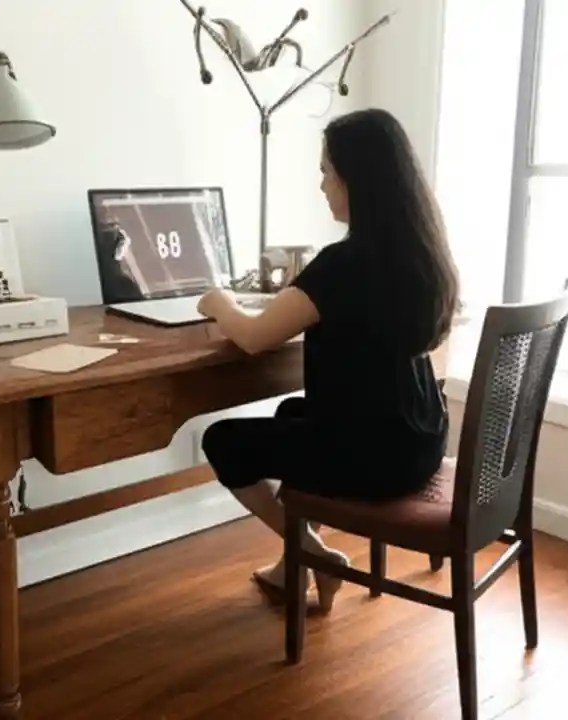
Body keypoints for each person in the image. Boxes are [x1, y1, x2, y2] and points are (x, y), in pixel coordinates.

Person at [196, 107, 459, 613]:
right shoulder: (420, 252)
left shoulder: (343, 263)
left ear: (354, 178)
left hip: (376, 459)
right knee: (290, 416)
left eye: (325, 171)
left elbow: (253, 337)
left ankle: (316, 557)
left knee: (223, 441)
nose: (321, 185)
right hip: (421, 439)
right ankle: (288, 564)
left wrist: (215, 299)